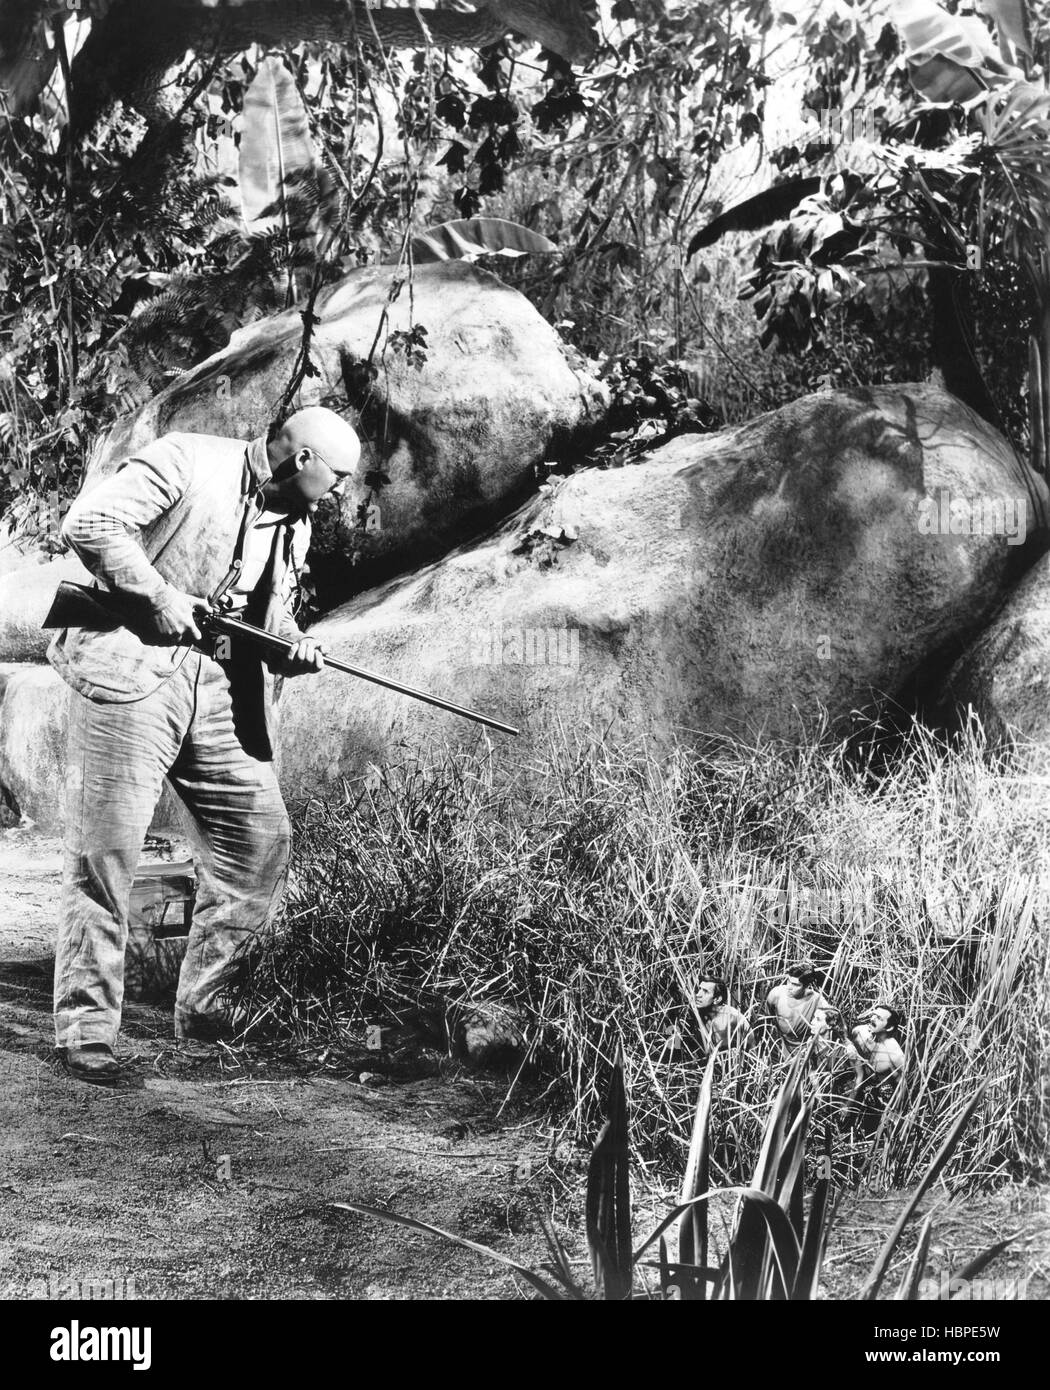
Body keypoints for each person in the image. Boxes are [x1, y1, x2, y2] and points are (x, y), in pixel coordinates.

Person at [48, 406, 361, 1082]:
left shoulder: (295, 519)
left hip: (217, 685)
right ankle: (86, 1028)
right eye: (337, 476)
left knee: (260, 839)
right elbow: (89, 524)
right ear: (302, 459)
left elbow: (258, 611)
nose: (342, 491)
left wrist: (290, 642)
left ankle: (209, 1006)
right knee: (105, 852)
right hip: (129, 671)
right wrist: (157, 592)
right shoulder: (187, 458)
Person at [843, 1003, 905, 1133]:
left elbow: (902, 1088)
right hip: (858, 1083)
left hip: (881, 1096)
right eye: (873, 1015)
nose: (872, 1019)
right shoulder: (858, 1032)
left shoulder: (895, 1055)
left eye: (879, 1018)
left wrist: (895, 1114)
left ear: (889, 1027)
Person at [765, 961, 841, 1057]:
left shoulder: (816, 999)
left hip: (804, 1049)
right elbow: (766, 1021)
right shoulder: (776, 994)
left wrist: (848, 1043)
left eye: (796, 985)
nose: (789, 987)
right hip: (780, 1045)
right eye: (789, 981)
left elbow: (835, 1017)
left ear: (806, 986)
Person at [691, 976, 754, 1055]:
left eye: (705, 992)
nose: (698, 995)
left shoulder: (731, 1019)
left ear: (717, 999)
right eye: (699, 989)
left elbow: (751, 1048)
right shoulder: (698, 1012)